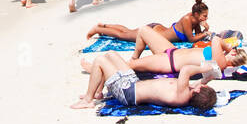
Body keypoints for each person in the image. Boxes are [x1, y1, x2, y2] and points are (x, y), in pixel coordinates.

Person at [71, 51, 218, 111]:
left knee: (100, 60)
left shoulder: (182, 95)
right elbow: (199, 84)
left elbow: (185, 70)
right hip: (133, 83)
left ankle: (88, 99)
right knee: (111, 54)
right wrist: (209, 77)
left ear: (198, 91)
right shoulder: (188, 91)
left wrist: (203, 68)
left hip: (127, 92)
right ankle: (97, 92)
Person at [125, 24, 247, 75]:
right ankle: (134, 57)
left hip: (169, 62)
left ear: (234, 54)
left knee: (129, 65)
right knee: (143, 30)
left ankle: (131, 63)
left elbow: (216, 40)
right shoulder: (220, 58)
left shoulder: (221, 62)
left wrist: (227, 46)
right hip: (172, 51)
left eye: (234, 51)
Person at [86, 0, 211, 45]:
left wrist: (204, 30)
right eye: (204, 16)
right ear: (196, 14)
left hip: (157, 30)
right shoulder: (187, 19)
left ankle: (104, 25)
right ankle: (98, 29)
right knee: (123, 35)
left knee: (128, 31)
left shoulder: (194, 20)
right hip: (153, 34)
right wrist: (205, 33)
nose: (206, 18)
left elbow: (197, 36)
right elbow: (191, 39)